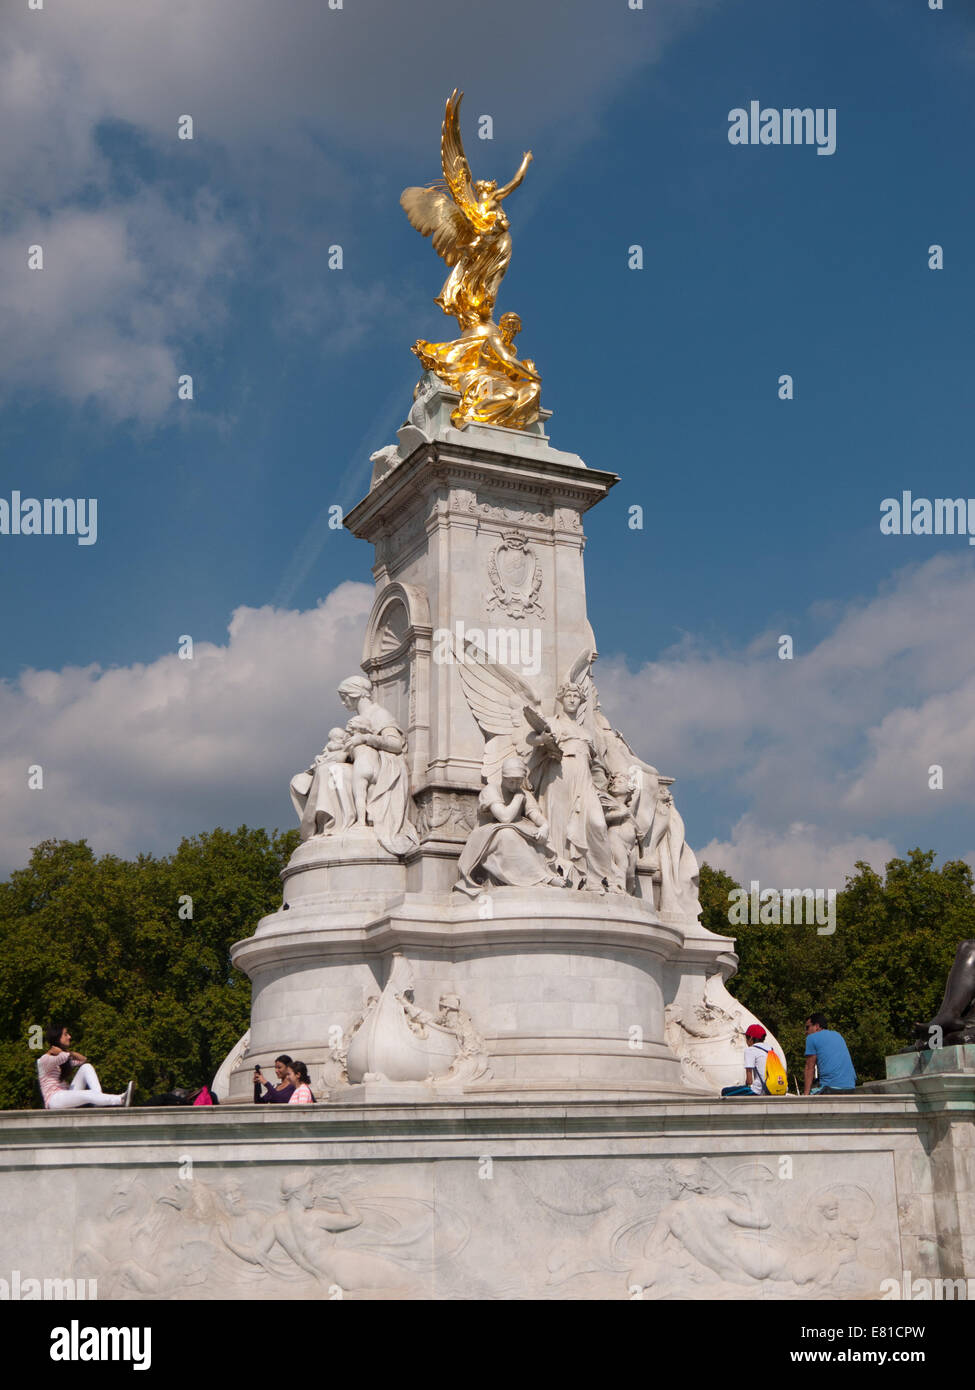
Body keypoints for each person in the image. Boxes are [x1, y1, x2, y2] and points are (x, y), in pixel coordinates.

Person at [37, 1025, 133, 1110]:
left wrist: (69, 1053)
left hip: (66, 1095)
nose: (69, 1037)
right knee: (87, 1093)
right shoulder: (44, 1060)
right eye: (66, 1034)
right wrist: (65, 1053)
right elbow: (62, 1057)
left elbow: (83, 1060)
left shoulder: (64, 1057)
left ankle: (98, 1100)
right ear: (57, 1038)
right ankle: (120, 1099)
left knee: (86, 1067)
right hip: (54, 1099)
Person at [804, 1013, 856, 1094]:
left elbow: (809, 1068)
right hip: (850, 1088)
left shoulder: (811, 1038)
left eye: (807, 1027)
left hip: (831, 1089)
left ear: (817, 1026)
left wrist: (805, 1095)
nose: (806, 1032)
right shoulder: (838, 1035)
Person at [720, 1023, 773, 1097]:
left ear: (751, 1038)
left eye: (746, 1037)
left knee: (725, 1091)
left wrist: (745, 1087)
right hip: (775, 1088)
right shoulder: (770, 1049)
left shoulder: (750, 1050)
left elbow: (749, 1081)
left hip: (759, 1090)